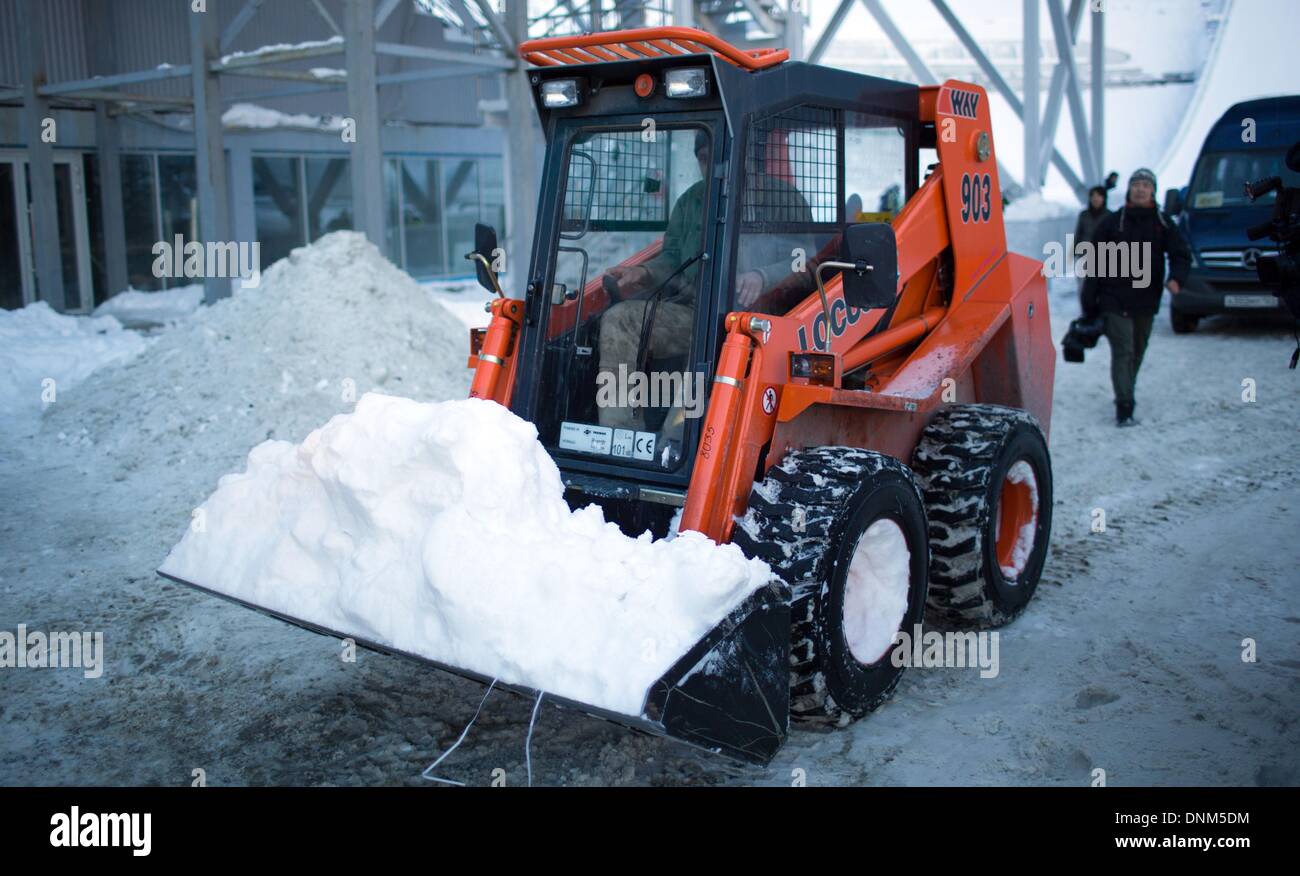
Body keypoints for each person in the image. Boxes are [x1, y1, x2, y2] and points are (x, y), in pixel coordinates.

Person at [1082, 168, 1192, 427]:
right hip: (1113, 298)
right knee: (1123, 351)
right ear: (1129, 189)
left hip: (1147, 300)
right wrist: (1089, 303)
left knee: (1138, 352)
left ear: (1153, 190)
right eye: (1137, 184)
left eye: (1146, 185)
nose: (1141, 189)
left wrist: (1177, 278)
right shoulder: (1113, 222)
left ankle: (1125, 390)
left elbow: (1181, 253)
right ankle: (1125, 406)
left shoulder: (1162, 222)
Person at [1074, 185, 1111, 307]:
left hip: (1103, 257)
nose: (1096, 199)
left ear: (1104, 198)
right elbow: (1079, 233)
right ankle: (1085, 312)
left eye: (1098, 196)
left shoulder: (1109, 216)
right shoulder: (1084, 215)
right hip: (1084, 255)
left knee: (1101, 286)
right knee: (1083, 286)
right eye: (1093, 196)